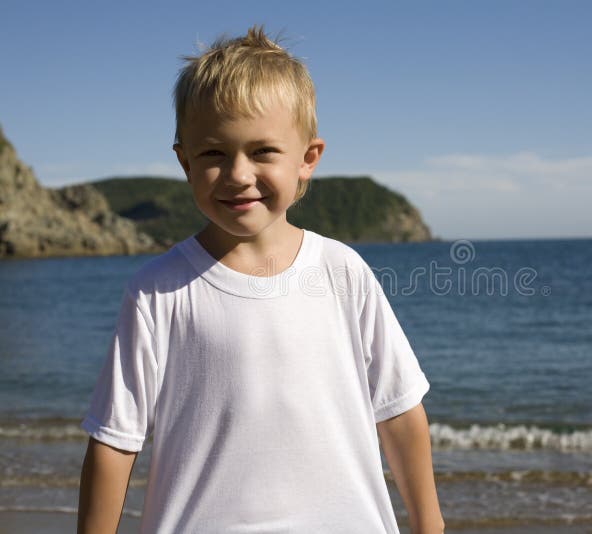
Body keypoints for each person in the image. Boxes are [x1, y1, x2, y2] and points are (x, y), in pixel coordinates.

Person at [77, 24, 444, 534]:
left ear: (306, 161)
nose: (238, 174)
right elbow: (115, 441)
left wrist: (430, 525)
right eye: (213, 154)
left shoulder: (343, 271)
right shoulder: (158, 290)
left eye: (263, 151)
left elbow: (399, 413)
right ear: (184, 162)